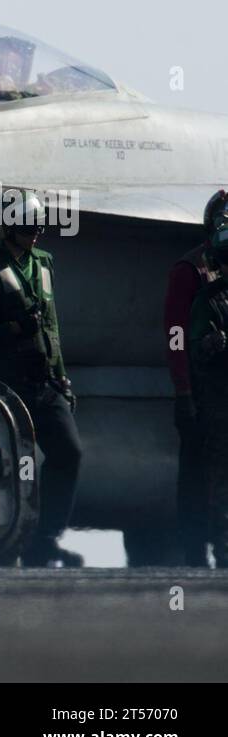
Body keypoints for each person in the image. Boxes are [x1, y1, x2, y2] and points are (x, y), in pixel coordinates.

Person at [0, 189, 83, 567]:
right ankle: (0, 540)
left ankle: (45, 538)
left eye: (38, 229)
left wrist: (62, 377)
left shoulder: (44, 262)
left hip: (44, 383)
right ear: (8, 229)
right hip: (7, 387)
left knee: (69, 452)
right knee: (5, 467)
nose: (35, 235)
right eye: (28, 229)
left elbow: (52, 326)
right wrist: (10, 328)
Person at [164, 192, 225, 567]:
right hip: (202, 392)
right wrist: (183, 390)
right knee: (196, 474)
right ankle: (194, 552)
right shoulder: (190, 270)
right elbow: (175, 334)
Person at [189, 217, 228, 568]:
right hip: (221, 407)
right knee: (221, 482)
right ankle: (224, 548)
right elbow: (195, 352)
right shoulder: (209, 302)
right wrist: (212, 345)